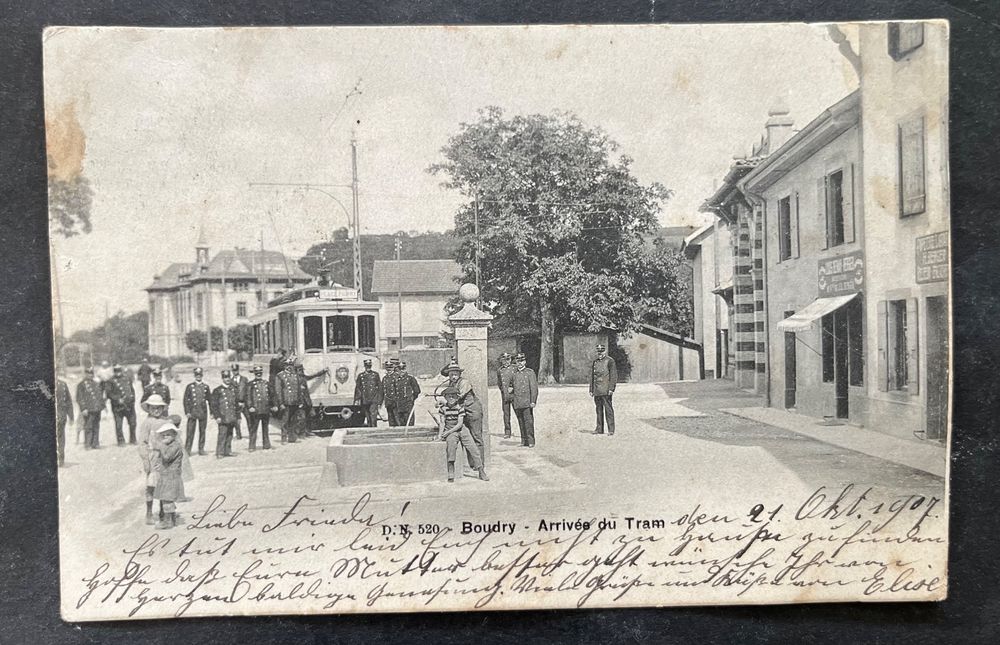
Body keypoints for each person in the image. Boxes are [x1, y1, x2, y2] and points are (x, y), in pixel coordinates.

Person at [437, 386, 488, 482]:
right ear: (445, 397)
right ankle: (451, 471)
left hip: (461, 429)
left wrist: (447, 432)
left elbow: (460, 424)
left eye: (453, 396)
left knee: (473, 448)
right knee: (451, 446)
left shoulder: (460, 408)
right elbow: (442, 423)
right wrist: (440, 435)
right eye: (449, 396)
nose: (451, 398)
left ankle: (481, 470)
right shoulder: (443, 409)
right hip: (450, 430)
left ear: (457, 397)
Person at [443, 360, 486, 464]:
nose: (453, 377)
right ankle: (471, 463)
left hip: (473, 411)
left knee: (476, 437)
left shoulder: (464, 382)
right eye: (451, 374)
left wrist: (444, 401)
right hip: (463, 412)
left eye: (455, 374)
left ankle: (480, 464)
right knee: (467, 437)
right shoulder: (452, 383)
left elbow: (457, 396)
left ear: (459, 374)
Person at [137, 394, 170, 525]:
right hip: (152, 457)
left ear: (162, 408)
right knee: (151, 485)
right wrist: (145, 459)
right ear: (149, 409)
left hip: (164, 457)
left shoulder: (166, 422)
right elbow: (142, 442)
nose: (156, 410)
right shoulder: (147, 423)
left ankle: (163, 511)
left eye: (158, 408)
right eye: (153, 408)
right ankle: (149, 512)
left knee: (164, 485)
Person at [151, 423, 186, 530]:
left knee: (167, 498)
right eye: (163, 435)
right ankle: (172, 519)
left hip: (171, 476)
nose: (165, 437)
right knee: (166, 498)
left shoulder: (175, 446)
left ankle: (168, 521)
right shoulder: (170, 445)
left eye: (168, 434)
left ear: (174, 435)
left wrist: (160, 446)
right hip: (167, 475)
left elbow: (167, 457)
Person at [509, 353, 538, 448]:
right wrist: (512, 398)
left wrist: (533, 401)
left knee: (528, 422)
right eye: (518, 361)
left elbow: (534, 388)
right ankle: (523, 441)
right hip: (517, 402)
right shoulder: (514, 374)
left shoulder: (530, 373)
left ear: (525, 362)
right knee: (520, 422)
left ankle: (531, 441)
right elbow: (510, 387)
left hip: (527, 402)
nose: (520, 363)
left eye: (521, 361)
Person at [245, 366, 276, 451]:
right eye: (257, 373)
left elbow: (272, 395)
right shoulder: (250, 384)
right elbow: (248, 396)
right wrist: (250, 406)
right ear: (254, 374)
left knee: (265, 428)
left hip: (265, 409)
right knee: (254, 428)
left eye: (260, 373)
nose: (258, 374)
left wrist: (273, 405)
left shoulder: (266, 383)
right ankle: (252, 446)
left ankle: (266, 445)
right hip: (255, 410)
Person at [105, 364, 138, 446]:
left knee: (133, 423)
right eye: (116, 371)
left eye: (119, 370)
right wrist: (117, 399)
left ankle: (133, 439)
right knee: (119, 424)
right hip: (118, 407)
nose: (118, 372)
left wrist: (132, 399)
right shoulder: (110, 381)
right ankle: (121, 441)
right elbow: (109, 393)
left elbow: (132, 390)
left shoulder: (127, 378)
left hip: (129, 405)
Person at [210, 370, 239, 458]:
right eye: (225, 377)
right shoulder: (217, 390)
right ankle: (220, 452)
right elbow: (214, 405)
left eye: (228, 377)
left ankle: (228, 451)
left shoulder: (233, 389)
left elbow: (236, 404)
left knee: (230, 434)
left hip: (231, 416)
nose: (227, 379)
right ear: (222, 378)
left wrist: (238, 416)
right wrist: (217, 416)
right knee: (222, 434)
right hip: (223, 416)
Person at [182, 367, 211, 455]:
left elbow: (210, 400)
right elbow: (185, 400)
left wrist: (212, 412)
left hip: (202, 411)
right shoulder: (190, 387)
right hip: (192, 412)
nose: (198, 376)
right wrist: (187, 411)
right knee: (190, 432)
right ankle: (187, 450)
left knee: (202, 431)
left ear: (202, 375)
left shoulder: (205, 387)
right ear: (194, 376)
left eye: (200, 375)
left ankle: (201, 449)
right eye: (197, 375)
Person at [590, 343, 618, 436]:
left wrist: (611, 388)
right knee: (598, 410)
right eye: (598, 352)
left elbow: (613, 376)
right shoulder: (595, 362)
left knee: (608, 410)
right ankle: (599, 429)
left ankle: (611, 430)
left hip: (606, 390)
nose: (600, 353)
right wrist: (591, 389)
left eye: (601, 351)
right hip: (597, 390)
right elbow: (592, 376)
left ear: (605, 351)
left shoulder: (610, 361)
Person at [76, 366, 105, 450]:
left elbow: (99, 395)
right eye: (88, 373)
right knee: (88, 427)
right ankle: (88, 444)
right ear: (85, 374)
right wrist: (83, 408)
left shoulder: (96, 383)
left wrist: (101, 406)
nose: (90, 375)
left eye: (91, 373)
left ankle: (95, 443)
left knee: (96, 426)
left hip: (96, 408)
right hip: (88, 409)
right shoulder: (81, 385)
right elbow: (79, 398)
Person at [295, 360, 326, 438]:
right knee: (301, 418)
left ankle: (307, 431)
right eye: (299, 370)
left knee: (309, 416)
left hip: (306, 401)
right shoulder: (294, 379)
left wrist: (322, 372)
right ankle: (301, 433)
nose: (301, 372)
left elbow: (312, 376)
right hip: (300, 401)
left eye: (302, 370)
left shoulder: (303, 377)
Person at [274, 358, 302, 444]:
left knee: (294, 420)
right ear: (284, 366)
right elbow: (278, 390)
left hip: (294, 401)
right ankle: (283, 438)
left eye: (291, 365)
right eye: (287, 365)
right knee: (285, 421)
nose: (289, 367)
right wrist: (280, 403)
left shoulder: (295, 375)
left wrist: (300, 401)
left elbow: (298, 389)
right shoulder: (280, 376)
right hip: (286, 401)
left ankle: (292, 437)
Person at [353, 358, 382, 427]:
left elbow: (380, 388)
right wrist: (357, 399)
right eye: (367, 366)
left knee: (373, 416)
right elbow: (358, 388)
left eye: (369, 366)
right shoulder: (361, 376)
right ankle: (370, 429)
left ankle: (374, 429)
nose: (368, 368)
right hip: (365, 399)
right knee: (368, 416)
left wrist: (379, 400)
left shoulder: (375, 375)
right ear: (365, 366)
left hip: (373, 399)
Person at [394, 360, 421, 426]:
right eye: (400, 369)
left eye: (403, 369)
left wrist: (411, 398)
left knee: (409, 422)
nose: (402, 371)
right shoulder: (396, 379)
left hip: (408, 404)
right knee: (401, 423)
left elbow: (417, 391)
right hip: (399, 404)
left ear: (405, 369)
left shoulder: (410, 378)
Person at [55, 375, 73, 467]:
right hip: (58, 416)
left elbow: (68, 401)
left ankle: (60, 459)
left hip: (61, 416)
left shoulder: (62, 384)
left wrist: (71, 416)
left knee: (61, 438)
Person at [496, 352, 515, 439]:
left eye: (508, 359)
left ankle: (524, 433)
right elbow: (499, 383)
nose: (506, 361)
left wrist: (513, 388)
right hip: (505, 395)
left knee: (519, 413)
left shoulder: (514, 368)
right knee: (506, 414)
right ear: (501, 361)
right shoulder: (500, 370)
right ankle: (507, 432)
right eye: (504, 360)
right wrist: (503, 390)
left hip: (514, 394)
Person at [231, 363, 249, 440]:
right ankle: (238, 435)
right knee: (236, 420)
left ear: (238, 370)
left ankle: (251, 433)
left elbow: (247, 391)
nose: (235, 372)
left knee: (249, 418)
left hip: (245, 403)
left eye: (236, 370)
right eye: (233, 370)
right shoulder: (230, 381)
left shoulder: (244, 379)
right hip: (236, 404)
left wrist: (245, 402)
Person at [382, 360, 401, 426]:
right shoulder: (385, 378)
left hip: (396, 402)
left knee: (397, 419)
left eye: (390, 368)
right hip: (388, 402)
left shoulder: (397, 376)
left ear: (393, 368)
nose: (389, 370)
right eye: (387, 368)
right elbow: (383, 390)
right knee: (391, 420)